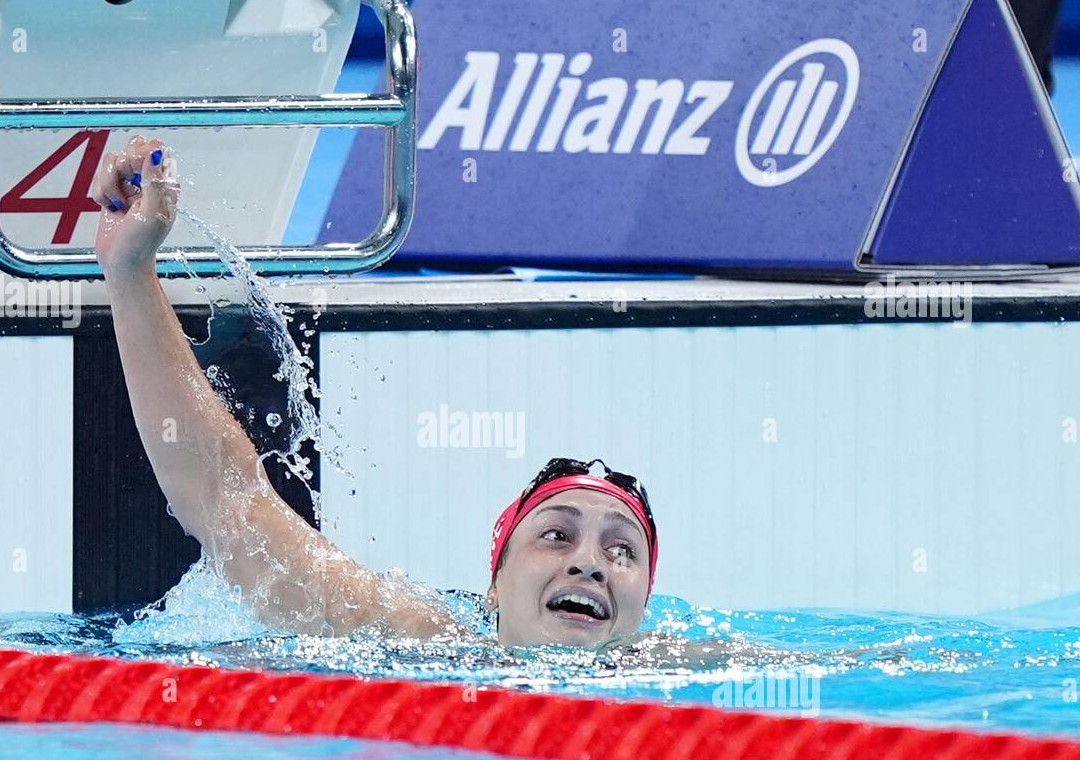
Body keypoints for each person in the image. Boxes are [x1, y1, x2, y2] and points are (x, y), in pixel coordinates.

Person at [93, 136, 698, 657]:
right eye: (556, 535)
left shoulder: (694, 671)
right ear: (494, 585)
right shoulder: (418, 642)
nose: (588, 562)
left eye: (622, 550)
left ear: (645, 601)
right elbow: (230, 502)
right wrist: (130, 271)